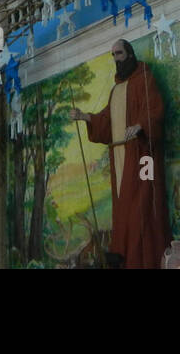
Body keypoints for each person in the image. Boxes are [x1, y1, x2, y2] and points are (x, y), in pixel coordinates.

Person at [69, 39, 170, 268]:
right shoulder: (116, 90)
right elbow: (106, 121)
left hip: (144, 157)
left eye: (119, 53)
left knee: (143, 207)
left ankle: (146, 261)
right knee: (125, 211)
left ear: (130, 54)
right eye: (113, 55)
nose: (116, 59)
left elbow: (155, 110)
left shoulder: (145, 79)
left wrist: (140, 126)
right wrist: (85, 116)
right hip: (120, 159)